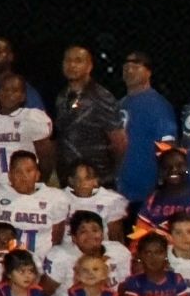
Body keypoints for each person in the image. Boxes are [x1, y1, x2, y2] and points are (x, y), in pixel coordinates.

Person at [53, 46, 125, 184]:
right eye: (68, 60)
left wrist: (110, 170)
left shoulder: (101, 97)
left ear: (89, 66)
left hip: (96, 179)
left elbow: (119, 141)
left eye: (78, 61)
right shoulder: (62, 96)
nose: (72, 65)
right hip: (69, 178)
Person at [117, 52, 177, 203]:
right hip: (121, 188)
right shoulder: (120, 104)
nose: (130, 71)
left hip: (147, 189)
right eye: (126, 67)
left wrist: (163, 182)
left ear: (148, 72)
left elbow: (167, 145)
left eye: (136, 67)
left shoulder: (158, 105)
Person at [0, 73, 56, 182]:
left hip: (26, 183)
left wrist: (40, 184)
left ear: (23, 96)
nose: (9, 94)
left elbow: (45, 157)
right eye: (5, 89)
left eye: (15, 90)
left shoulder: (32, 117)